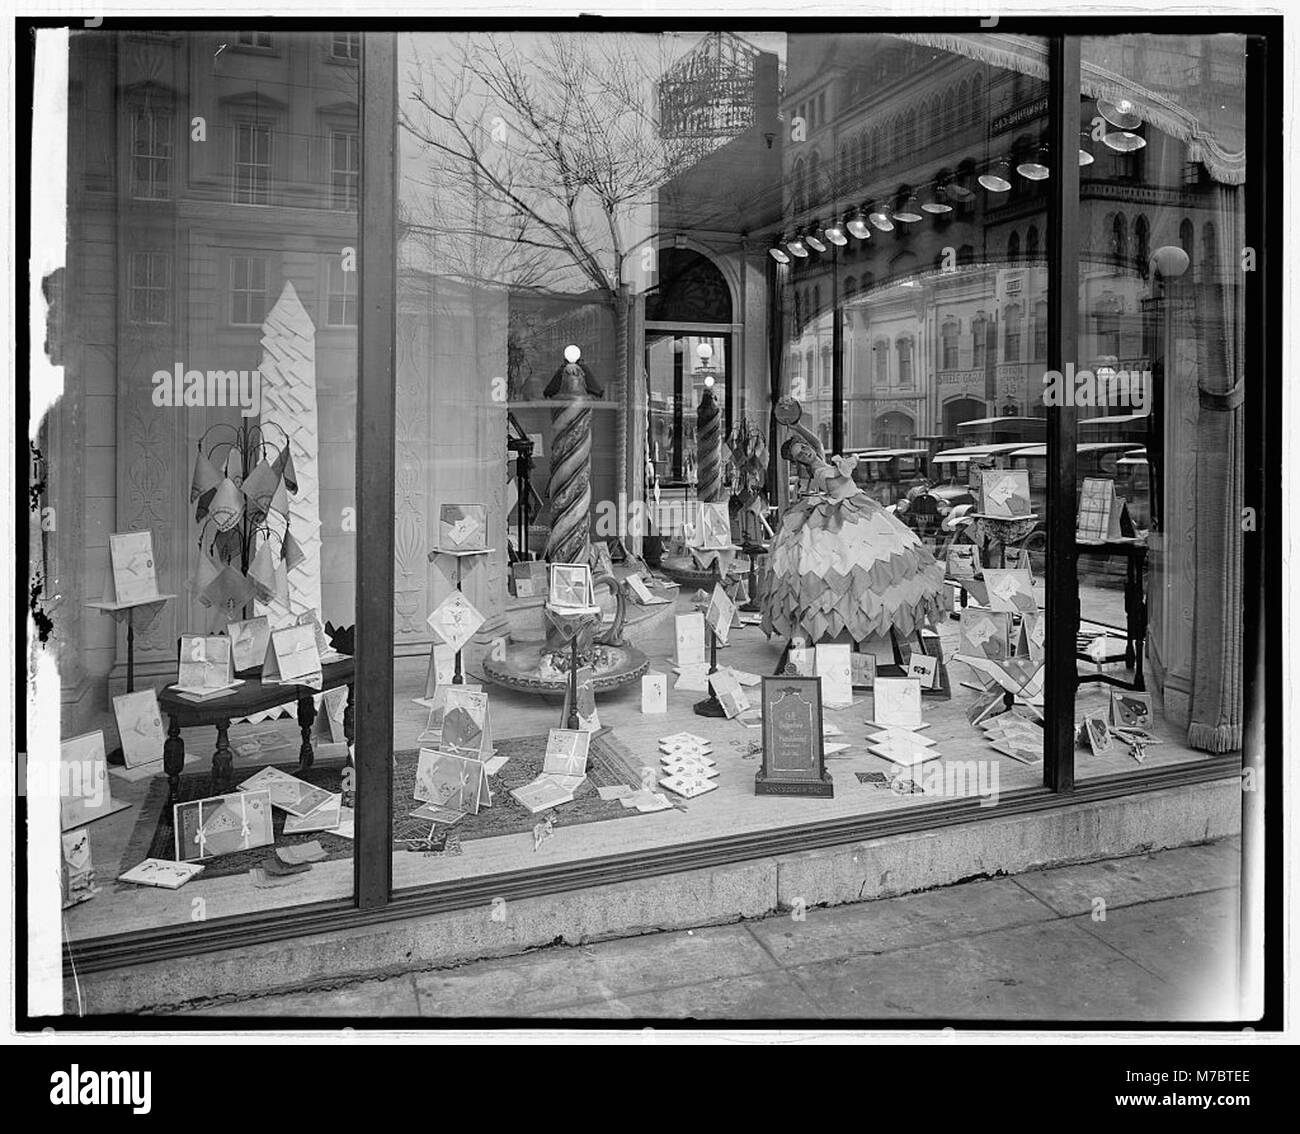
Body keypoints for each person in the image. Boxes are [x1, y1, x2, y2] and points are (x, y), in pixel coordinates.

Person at [761, 399, 947, 647]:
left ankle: (891, 616)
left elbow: (815, 441)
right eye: (800, 454)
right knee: (846, 560)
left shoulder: (822, 458)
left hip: (861, 505)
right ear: (800, 463)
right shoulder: (818, 474)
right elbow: (834, 487)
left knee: (888, 552)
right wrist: (845, 468)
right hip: (844, 511)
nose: (806, 452)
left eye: (804, 449)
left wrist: (794, 426)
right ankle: (845, 615)